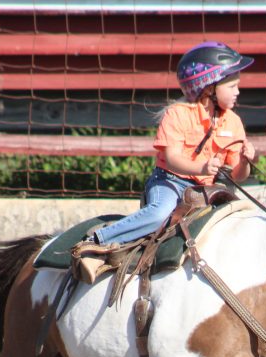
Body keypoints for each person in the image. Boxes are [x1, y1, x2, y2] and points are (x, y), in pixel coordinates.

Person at [81, 41, 257, 251]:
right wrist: (201, 168)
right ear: (209, 88)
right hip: (170, 182)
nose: (238, 91)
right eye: (232, 86)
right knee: (159, 214)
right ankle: (99, 239)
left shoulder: (233, 122)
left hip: (207, 190)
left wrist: (247, 161)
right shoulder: (177, 114)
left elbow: (238, 176)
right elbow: (172, 159)